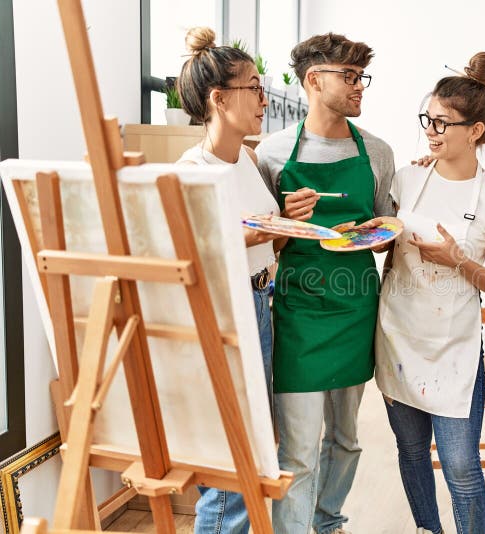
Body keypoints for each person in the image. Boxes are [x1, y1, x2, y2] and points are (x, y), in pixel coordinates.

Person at [255, 33, 395, 534]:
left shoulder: (376, 151)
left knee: (347, 439)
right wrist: (285, 223)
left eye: (363, 77)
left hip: (356, 307)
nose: (360, 87)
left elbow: (386, 231)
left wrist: (370, 238)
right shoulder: (271, 153)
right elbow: (261, 242)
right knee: (298, 448)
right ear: (315, 81)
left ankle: (328, 519)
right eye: (350, 76)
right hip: (298, 311)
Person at [375, 52, 485, 534]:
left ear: (475, 131)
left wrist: (458, 260)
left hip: (454, 349)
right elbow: (388, 252)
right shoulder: (407, 178)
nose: (430, 131)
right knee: (411, 452)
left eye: (442, 123)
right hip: (397, 339)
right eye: (428, 120)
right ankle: (427, 530)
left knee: (460, 468)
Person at [175, 26, 282, 534]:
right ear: (219, 99)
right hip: (223, 313)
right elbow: (184, 263)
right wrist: (252, 233)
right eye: (254, 88)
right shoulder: (190, 172)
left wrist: (285, 223)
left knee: (250, 449)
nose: (263, 99)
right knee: (231, 458)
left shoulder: (247, 158)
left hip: (260, 302)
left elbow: (265, 242)